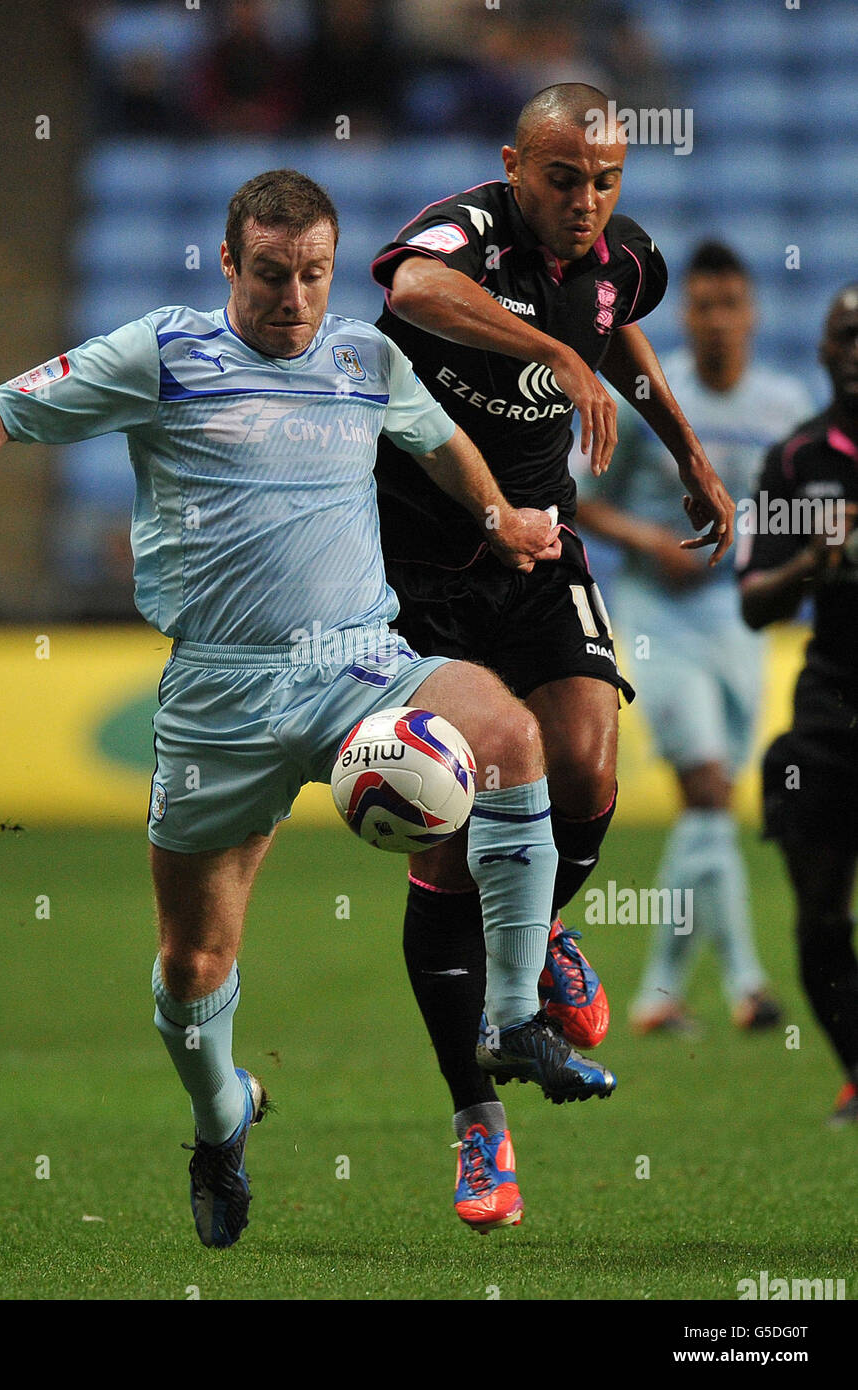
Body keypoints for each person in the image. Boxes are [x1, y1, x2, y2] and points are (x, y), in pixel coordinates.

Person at [0, 169, 617, 1248]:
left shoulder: (366, 358)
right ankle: (223, 1115)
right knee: (192, 967)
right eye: (271, 274)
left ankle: (511, 1018)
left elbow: (432, 439)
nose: (294, 298)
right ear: (228, 264)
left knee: (510, 735)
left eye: (314, 274)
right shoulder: (164, 354)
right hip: (218, 696)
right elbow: (2, 411)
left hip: (357, 664)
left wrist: (501, 514)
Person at [370, 83, 735, 1223]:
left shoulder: (621, 256)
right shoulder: (466, 232)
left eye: (606, 181)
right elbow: (412, 288)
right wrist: (554, 358)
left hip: (538, 550)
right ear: (513, 167)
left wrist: (685, 449)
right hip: (416, 572)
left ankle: (539, 929)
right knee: (454, 826)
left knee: (586, 767)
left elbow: (616, 328)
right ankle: (479, 1128)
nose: (586, 204)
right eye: (563, 178)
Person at [577, 242, 813, 1034]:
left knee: (704, 813)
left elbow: (797, 512)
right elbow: (579, 499)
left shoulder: (782, 408)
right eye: (702, 304)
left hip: (735, 620)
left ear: (751, 314)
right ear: (685, 315)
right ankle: (748, 984)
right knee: (708, 788)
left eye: (729, 304)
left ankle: (657, 997)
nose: (716, 319)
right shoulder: (653, 395)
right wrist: (645, 542)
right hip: (655, 616)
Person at [738, 282, 858, 1127]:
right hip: (833, 709)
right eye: (847, 335)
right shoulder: (793, 462)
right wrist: (812, 560)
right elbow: (754, 601)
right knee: (820, 921)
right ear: (822, 351)